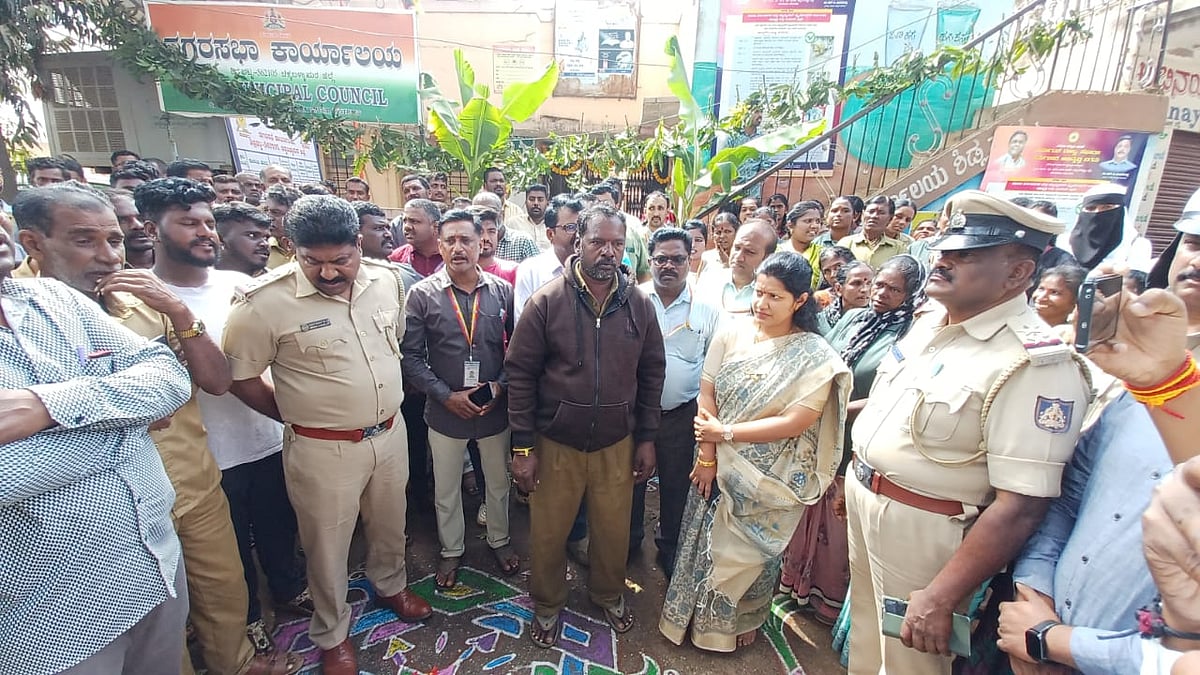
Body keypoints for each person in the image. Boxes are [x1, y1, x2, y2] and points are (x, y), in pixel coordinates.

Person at [844, 190, 1091, 675]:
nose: (944, 261)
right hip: (867, 500)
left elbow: (1021, 505)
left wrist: (943, 594)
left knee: (912, 663)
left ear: (1018, 274)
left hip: (930, 533)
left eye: (967, 255)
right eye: (945, 250)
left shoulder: (1034, 363)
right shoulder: (933, 323)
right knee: (869, 642)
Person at [223, 196, 431, 675]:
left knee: (389, 521)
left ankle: (390, 584)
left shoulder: (386, 281)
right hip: (321, 448)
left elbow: (393, 345)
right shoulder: (261, 304)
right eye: (313, 261)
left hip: (390, 434)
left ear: (359, 244)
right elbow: (241, 377)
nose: (330, 273)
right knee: (326, 544)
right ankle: (333, 633)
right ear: (290, 248)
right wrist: (296, 417)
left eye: (341, 260)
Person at [0, 225, 193, 675]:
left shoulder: (53, 298)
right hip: (47, 617)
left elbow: (167, 379)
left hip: (154, 565)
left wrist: (46, 408)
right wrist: (126, 427)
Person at [134, 179, 312, 657]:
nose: (204, 233)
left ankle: (290, 589)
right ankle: (248, 620)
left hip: (270, 435)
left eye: (209, 223)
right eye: (189, 223)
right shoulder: (143, 300)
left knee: (278, 525)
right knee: (226, 554)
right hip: (208, 453)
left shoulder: (241, 287)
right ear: (152, 229)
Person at [660, 251, 851, 652]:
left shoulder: (814, 356)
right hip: (717, 462)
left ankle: (743, 620)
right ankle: (692, 618)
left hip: (770, 476)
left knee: (754, 555)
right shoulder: (732, 332)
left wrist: (725, 432)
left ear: (800, 301)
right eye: (759, 293)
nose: (761, 304)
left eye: (774, 297)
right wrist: (709, 455)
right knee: (703, 541)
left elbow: (798, 420)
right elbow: (707, 392)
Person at [505, 203, 665, 648]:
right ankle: (548, 602)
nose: (608, 252)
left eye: (617, 243)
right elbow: (519, 374)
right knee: (550, 531)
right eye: (598, 242)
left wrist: (646, 438)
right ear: (579, 243)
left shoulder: (638, 305)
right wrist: (522, 448)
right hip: (556, 441)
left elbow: (652, 373)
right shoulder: (547, 301)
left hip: (618, 439)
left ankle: (608, 593)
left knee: (613, 530)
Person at [787, 255, 924, 630]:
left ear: (911, 294)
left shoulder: (910, 335)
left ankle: (828, 600)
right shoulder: (855, 319)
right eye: (878, 284)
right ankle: (798, 583)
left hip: (858, 435)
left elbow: (892, 393)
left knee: (837, 518)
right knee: (808, 507)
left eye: (893, 289)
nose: (879, 293)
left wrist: (838, 408)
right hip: (820, 426)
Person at [400, 209, 518, 589]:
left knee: (498, 483)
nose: (457, 248)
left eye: (465, 240)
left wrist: (499, 386)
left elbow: (516, 349)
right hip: (445, 410)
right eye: (449, 240)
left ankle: (499, 539)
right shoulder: (421, 296)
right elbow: (411, 357)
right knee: (446, 486)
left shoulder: (502, 291)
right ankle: (452, 549)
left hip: (492, 408)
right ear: (439, 244)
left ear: (481, 242)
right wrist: (444, 395)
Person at [632, 227, 722, 575]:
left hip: (682, 415)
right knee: (633, 479)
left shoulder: (708, 310)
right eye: (661, 259)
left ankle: (669, 547)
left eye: (677, 259)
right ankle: (628, 540)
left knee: (676, 485)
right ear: (650, 260)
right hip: (635, 412)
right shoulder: (633, 300)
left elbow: (713, 369)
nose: (669, 266)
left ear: (691, 260)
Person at [514, 195, 581, 325]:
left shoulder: (590, 269)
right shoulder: (531, 270)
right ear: (550, 234)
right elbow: (523, 325)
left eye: (581, 227)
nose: (578, 235)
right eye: (571, 228)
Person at [1065, 182, 1152, 272]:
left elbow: (1134, 279)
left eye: (1106, 207)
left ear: (1121, 211)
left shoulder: (1138, 245)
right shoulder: (1064, 241)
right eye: (1091, 208)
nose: (1097, 213)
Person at [704, 218, 777, 315]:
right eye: (737, 248)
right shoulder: (709, 280)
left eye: (750, 252)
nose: (739, 257)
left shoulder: (773, 295)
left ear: (767, 257)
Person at [590, 182, 650, 282]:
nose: (601, 209)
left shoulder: (633, 232)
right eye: (596, 204)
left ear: (617, 205)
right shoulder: (586, 235)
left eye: (605, 204)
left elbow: (644, 272)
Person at [838, 195, 909, 269]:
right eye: (871, 211)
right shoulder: (846, 243)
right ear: (862, 215)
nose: (874, 216)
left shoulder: (899, 249)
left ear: (890, 219)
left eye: (881, 213)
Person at [388, 198, 444, 276]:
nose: (407, 227)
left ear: (435, 226)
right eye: (404, 221)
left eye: (414, 221)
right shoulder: (396, 258)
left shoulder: (452, 256)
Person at [214, 202, 272, 278]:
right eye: (252, 235)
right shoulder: (197, 283)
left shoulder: (280, 285)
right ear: (220, 240)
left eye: (266, 238)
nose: (265, 244)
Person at [104, 187, 155, 270]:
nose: (138, 225)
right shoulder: (100, 271)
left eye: (141, 218)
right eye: (123, 220)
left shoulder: (180, 260)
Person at [817, 260, 873, 334]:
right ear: (838, 289)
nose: (865, 289)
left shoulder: (876, 323)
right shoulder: (820, 322)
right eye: (856, 283)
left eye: (869, 283)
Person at [779, 201, 824, 290]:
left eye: (818, 221)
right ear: (790, 225)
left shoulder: (823, 254)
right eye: (808, 221)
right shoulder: (776, 251)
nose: (815, 226)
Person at [1030, 263, 1086, 332]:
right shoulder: (1018, 319)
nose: (1041, 297)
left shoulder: (1075, 336)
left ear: (1075, 300)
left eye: (1054, 292)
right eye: (1041, 289)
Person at [474, 206, 518, 285]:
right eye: (480, 232)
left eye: (491, 231)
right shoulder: (456, 271)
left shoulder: (512, 271)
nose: (486, 238)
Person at [263, 184, 302, 270]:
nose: (268, 218)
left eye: (276, 212)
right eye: (266, 211)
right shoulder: (263, 248)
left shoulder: (309, 248)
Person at [506, 184, 550, 250]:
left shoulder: (554, 225)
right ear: (525, 202)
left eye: (540, 200)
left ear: (547, 203)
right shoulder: (513, 224)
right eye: (532, 199)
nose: (536, 203)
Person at [681, 219, 717, 286]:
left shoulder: (714, 270)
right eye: (689, 240)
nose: (693, 245)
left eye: (698, 240)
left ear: (705, 243)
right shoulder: (676, 270)